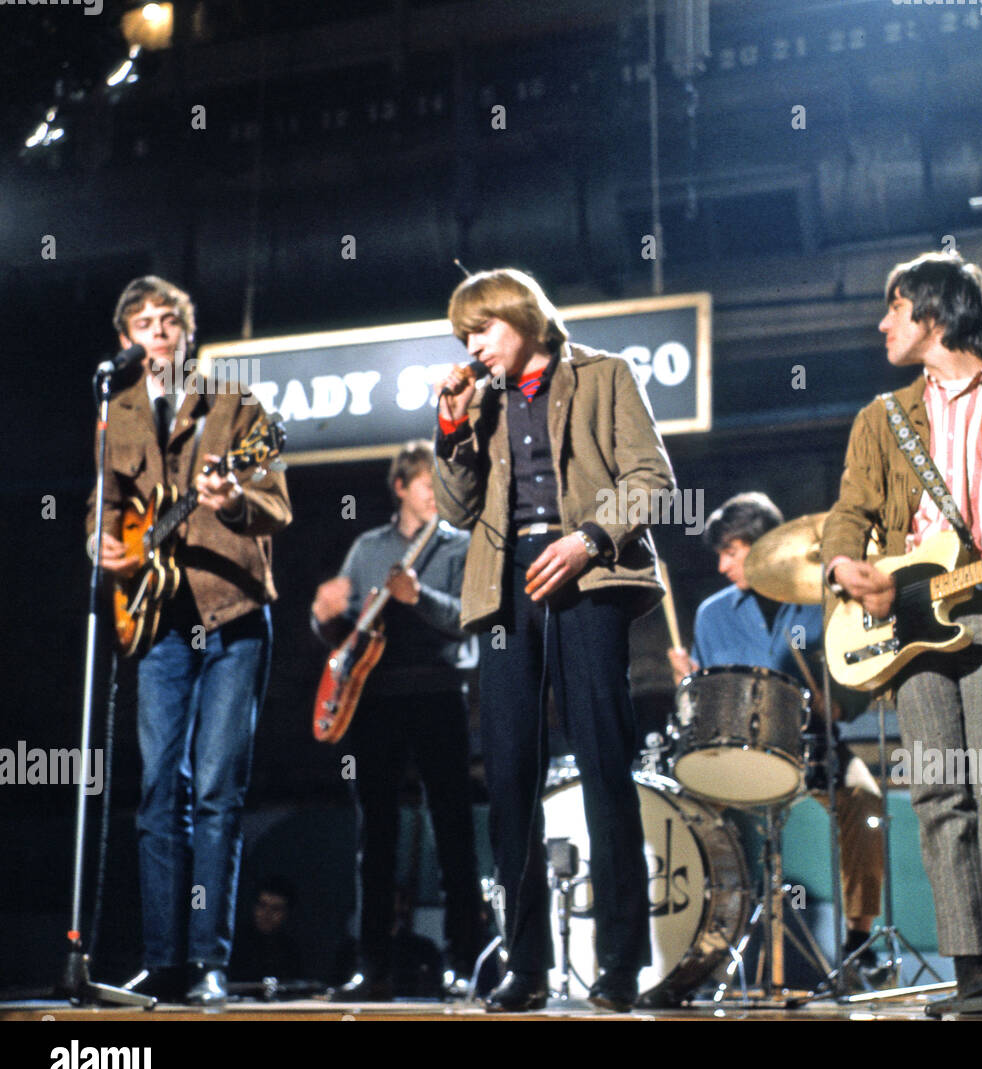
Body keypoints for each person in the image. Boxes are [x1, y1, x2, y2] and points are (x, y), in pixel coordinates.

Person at [821, 252, 982, 1011]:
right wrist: (843, 567)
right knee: (937, 794)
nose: (882, 323)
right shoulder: (881, 416)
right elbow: (848, 514)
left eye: (894, 308)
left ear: (932, 314)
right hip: (910, 626)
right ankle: (969, 970)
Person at [435, 268, 675, 1012]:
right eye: (465, 337)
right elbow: (455, 508)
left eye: (483, 331)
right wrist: (450, 427)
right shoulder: (480, 401)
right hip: (506, 586)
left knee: (606, 765)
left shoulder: (604, 376)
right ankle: (527, 964)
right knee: (508, 777)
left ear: (522, 318)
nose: (475, 347)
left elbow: (652, 476)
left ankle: (620, 966)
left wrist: (591, 540)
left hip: (588, 575)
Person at [89, 275, 291, 1006]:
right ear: (126, 341)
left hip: (231, 615)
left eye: (168, 318)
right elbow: (105, 505)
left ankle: (209, 960)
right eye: (143, 321)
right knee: (153, 795)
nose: (158, 330)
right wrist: (102, 544)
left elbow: (276, 502)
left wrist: (234, 498)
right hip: (156, 623)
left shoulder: (234, 401)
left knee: (215, 792)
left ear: (187, 331)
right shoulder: (117, 411)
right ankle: (163, 960)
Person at [667, 492, 886, 992]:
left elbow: (856, 686)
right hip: (733, 754)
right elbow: (702, 707)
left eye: (732, 552)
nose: (722, 566)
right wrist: (692, 683)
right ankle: (704, 943)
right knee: (687, 815)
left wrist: (836, 703)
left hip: (811, 745)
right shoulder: (710, 614)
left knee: (869, 805)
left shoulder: (822, 604)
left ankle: (859, 944)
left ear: (766, 546)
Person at [310, 440, 488, 999]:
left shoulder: (459, 546)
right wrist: (322, 618)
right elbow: (346, 633)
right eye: (426, 484)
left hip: (438, 694)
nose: (436, 494)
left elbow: (468, 619)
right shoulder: (368, 547)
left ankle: (466, 962)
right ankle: (373, 968)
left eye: (442, 485)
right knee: (376, 836)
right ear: (401, 488)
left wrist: (420, 597)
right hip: (376, 701)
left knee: (455, 830)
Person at [229, 875, 304, 984]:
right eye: (262, 905)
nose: (266, 914)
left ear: (287, 913)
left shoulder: (290, 951)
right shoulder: (234, 943)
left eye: (276, 909)